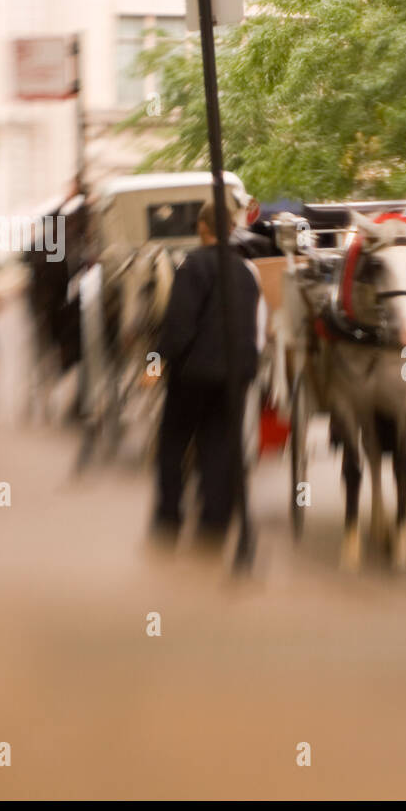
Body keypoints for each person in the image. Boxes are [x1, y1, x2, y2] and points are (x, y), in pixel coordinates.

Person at [152, 195, 266, 565]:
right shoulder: (247, 272)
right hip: (235, 376)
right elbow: (257, 330)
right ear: (231, 229)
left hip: (193, 374)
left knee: (172, 443)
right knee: (220, 445)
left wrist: (153, 367)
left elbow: (177, 329)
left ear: (201, 228)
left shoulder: (190, 266)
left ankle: (169, 516)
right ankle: (214, 522)